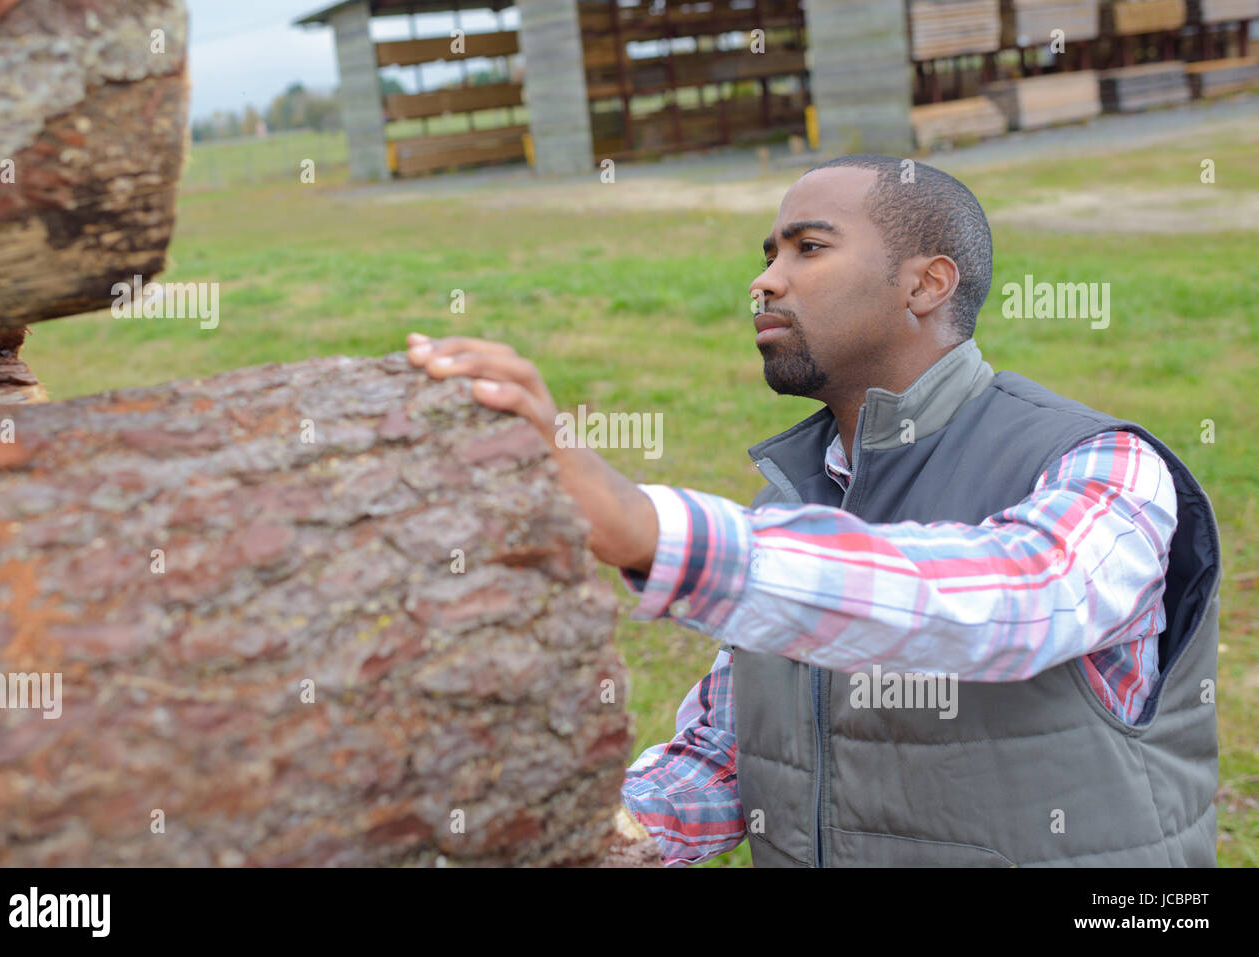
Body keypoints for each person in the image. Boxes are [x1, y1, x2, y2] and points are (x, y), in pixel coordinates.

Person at [405, 154, 1221, 868]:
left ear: (926, 283)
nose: (765, 279)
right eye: (767, 254)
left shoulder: (1102, 465)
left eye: (809, 247)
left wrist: (647, 526)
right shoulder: (796, 503)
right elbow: (736, 751)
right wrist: (571, 838)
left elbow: (1007, 604)